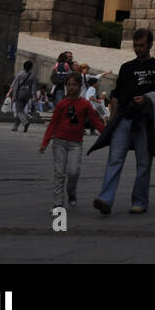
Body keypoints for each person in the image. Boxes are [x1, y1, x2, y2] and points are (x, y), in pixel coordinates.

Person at [93, 28, 155, 215]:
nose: (138, 49)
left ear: (150, 45)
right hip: (124, 117)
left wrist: (148, 99)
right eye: (135, 46)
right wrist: (111, 121)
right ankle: (105, 198)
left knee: (143, 163)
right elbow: (117, 95)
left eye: (142, 45)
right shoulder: (126, 67)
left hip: (145, 120)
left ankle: (140, 201)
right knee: (114, 159)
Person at [39, 73, 105, 208]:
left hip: (75, 143)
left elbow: (96, 122)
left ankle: (71, 191)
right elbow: (53, 124)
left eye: (74, 85)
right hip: (59, 142)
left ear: (80, 87)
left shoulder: (85, 104)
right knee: (59, 172)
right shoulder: (62, 104)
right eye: (69, 85)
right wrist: (45, 142)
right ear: (66, 87)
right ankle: (58, 203)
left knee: (73, 172)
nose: (71, 87)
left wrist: (107, 135)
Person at [7, 59, 37, 132]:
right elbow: (34, 87)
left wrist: (13, 95)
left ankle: (25, 121)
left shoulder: (20, 74)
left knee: (18, 111)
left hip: (20, 93)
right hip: (28, 94)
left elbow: (15, 85)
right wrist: (33, 96)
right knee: (21, 109)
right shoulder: (33, 75)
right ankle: (15, 127)